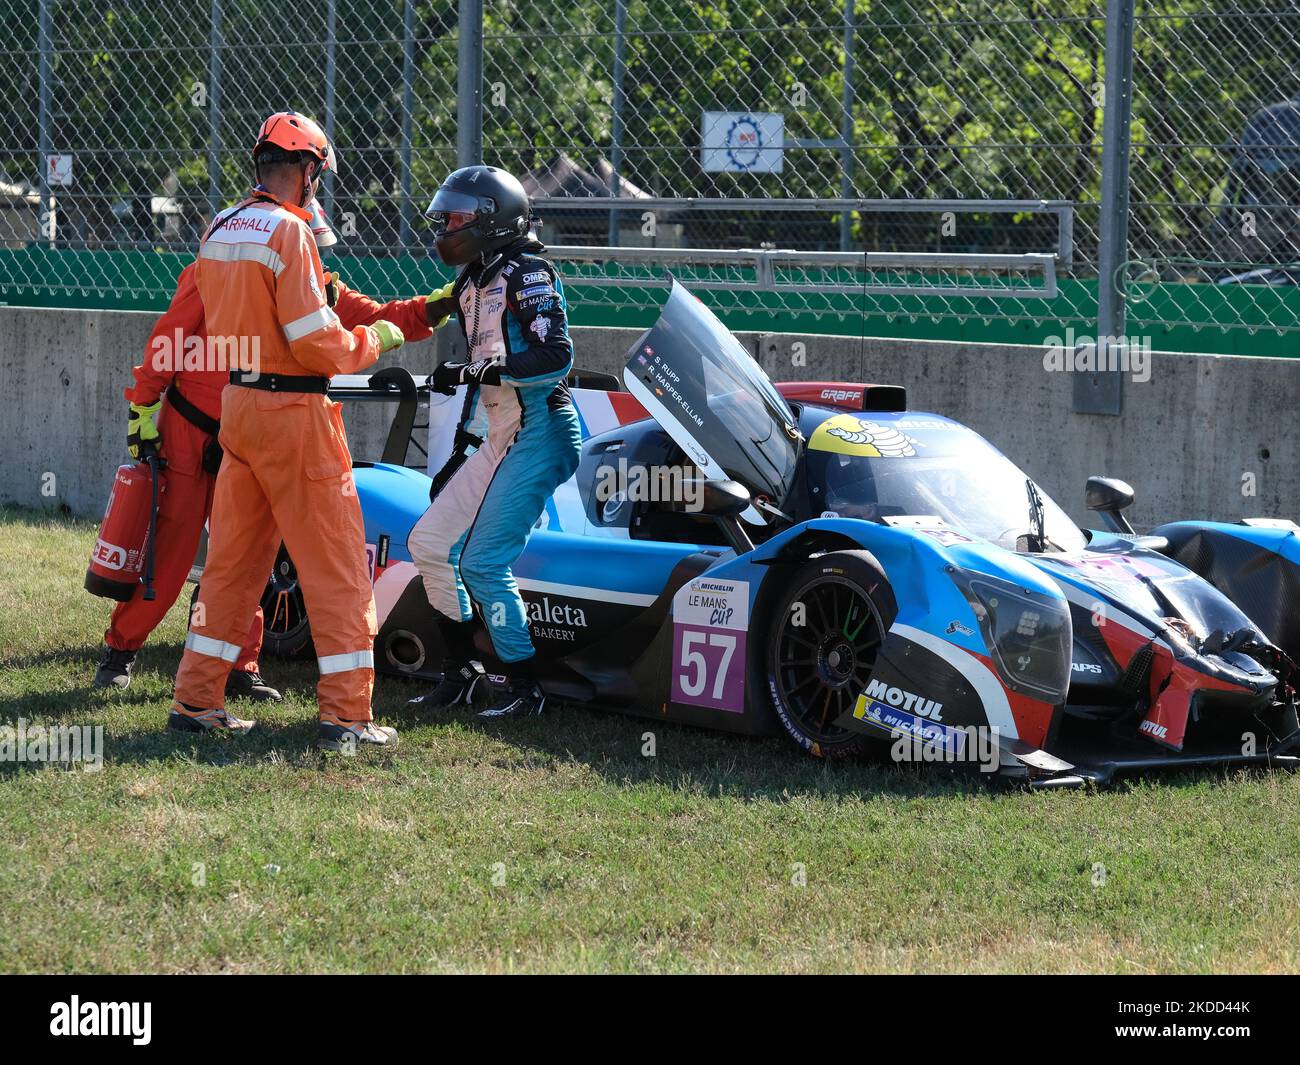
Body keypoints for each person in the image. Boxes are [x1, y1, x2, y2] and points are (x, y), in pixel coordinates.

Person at [95, 199, 450, 699]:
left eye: (319, 251)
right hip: (194, 431)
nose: (318, 259)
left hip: (249, 433)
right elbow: (170, 338)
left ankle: (240, 665)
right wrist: (144, 404)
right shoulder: (215, 272)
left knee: (249, 555)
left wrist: (437, 306)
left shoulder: (316, 285)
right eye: (313, 249)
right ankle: (122, 647)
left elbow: (377, 314)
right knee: (173, 553)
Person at [168, 111, 408, 748]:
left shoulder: (219, 226)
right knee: (335, 569)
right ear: (307, 171)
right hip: (294, 416)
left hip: (239, 408)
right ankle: (347, 717)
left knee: (230, 569)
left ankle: (194, 701)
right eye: (317, 177)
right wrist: (377, 337)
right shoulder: (290, 233)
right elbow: (315, 344)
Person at [408, 165, 581, 718]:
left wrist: (480, 371)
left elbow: (556, 357)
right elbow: (480, 366)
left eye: (457, 216)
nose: (446, 225)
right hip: (506, 432)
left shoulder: (528, 272)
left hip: (542, 429)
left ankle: (526, 687)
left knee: (482, 562)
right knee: (430, 544)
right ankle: (462, 675)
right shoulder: (472, 280)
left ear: (492, 219)